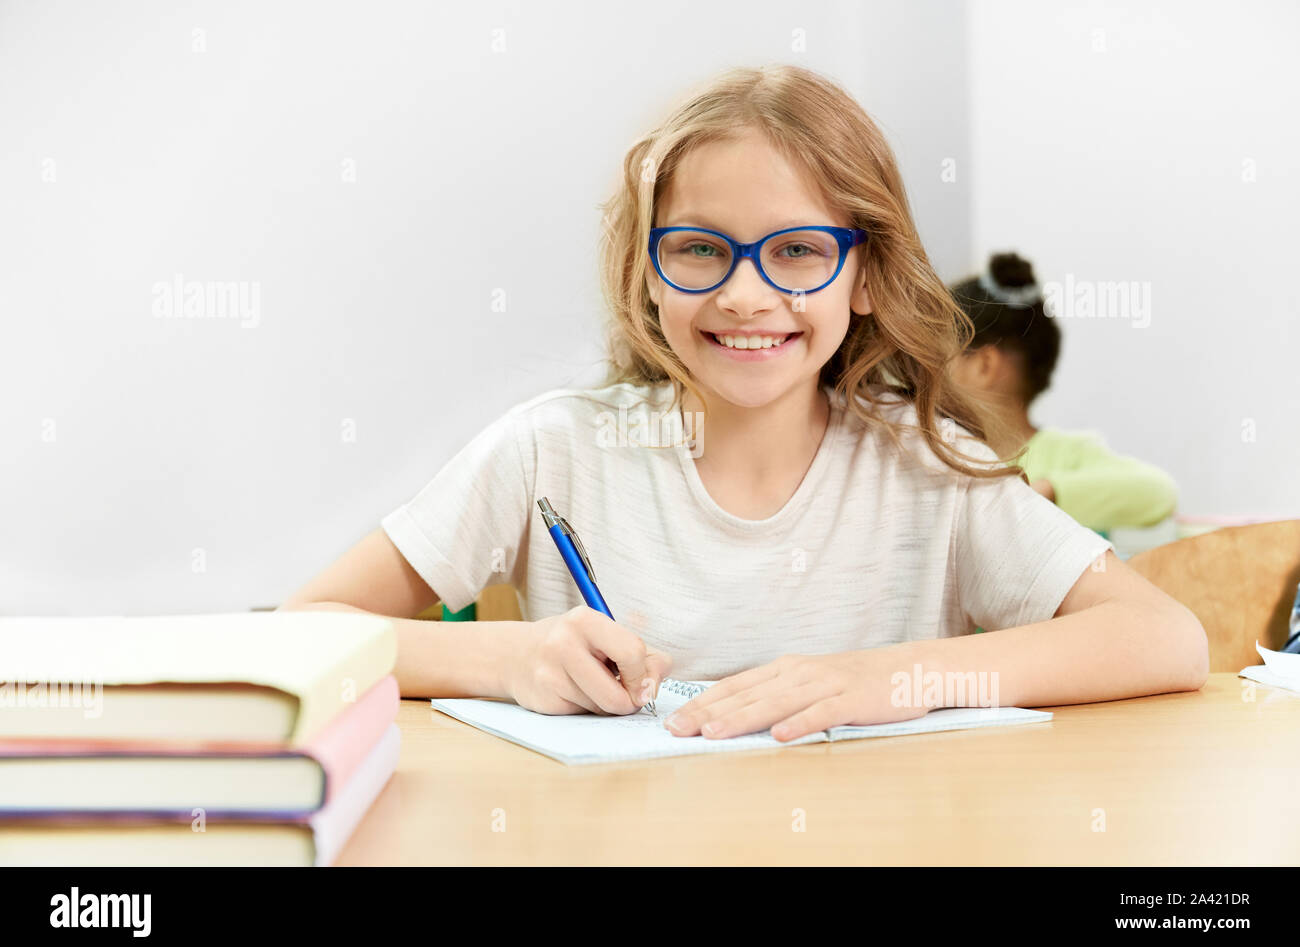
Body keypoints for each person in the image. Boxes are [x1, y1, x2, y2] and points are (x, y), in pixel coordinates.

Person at [280, 65, 1206, 741]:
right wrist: (510, 658)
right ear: (649, 268)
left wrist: (886, 679)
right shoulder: (550, 449)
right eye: (699, 249)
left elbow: (1165, 639)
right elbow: (305, 633)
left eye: (799, 251)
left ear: (867, 276)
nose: (746, 295)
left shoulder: (927, 475)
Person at [948, 253, 1179, 533]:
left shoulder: (1066, 455)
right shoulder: (944, 453)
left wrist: (1046, 491)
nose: (923, 378)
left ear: (984, 366)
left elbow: (1158, 492)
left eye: (938, 360)